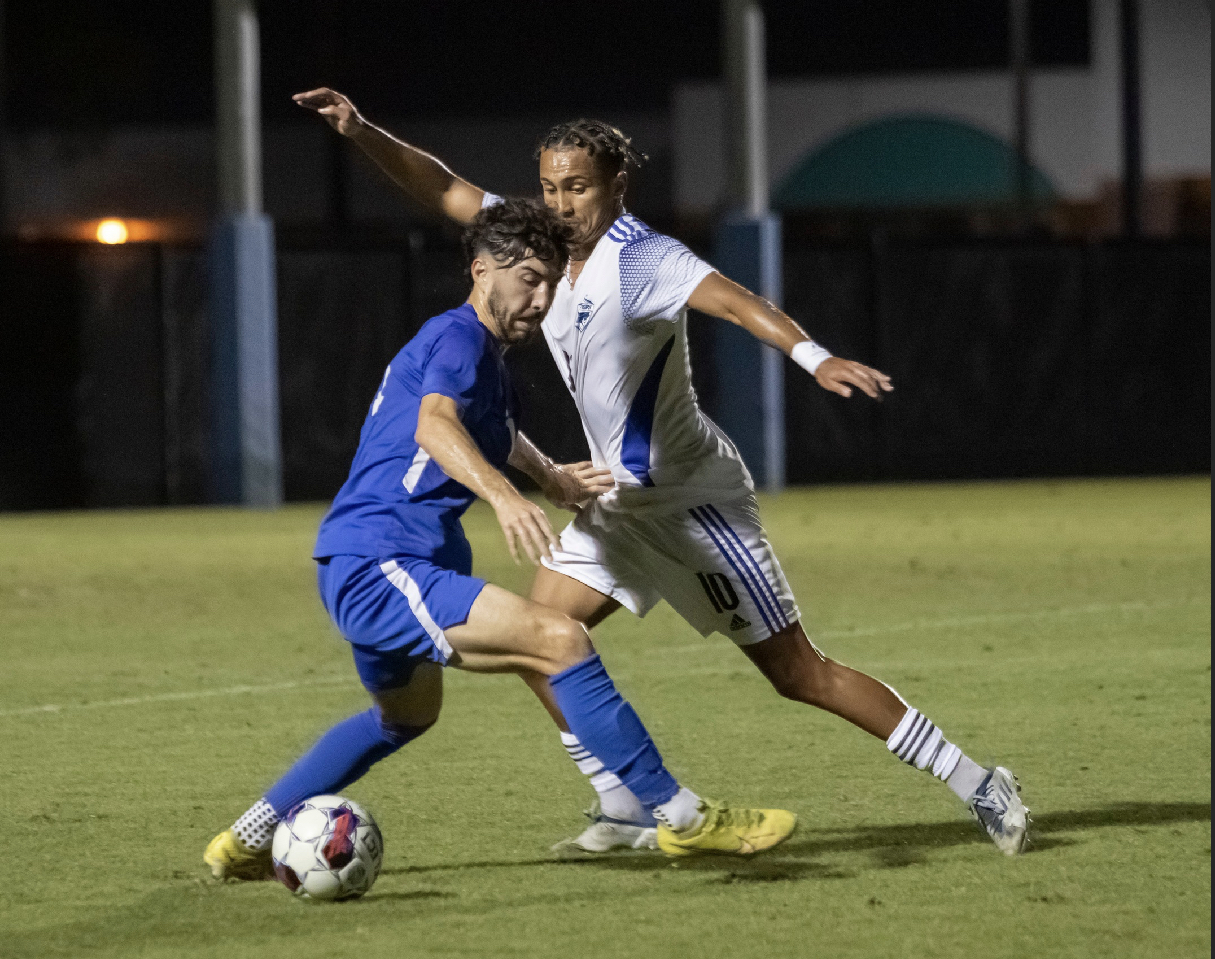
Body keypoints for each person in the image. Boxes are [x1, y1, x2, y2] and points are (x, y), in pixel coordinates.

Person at [292, 89, 1029, 857]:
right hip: (617, 506)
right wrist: (361, 130)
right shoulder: (536, 248)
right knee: (546, 637)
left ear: (616, 187)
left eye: (576, 186)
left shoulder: (645, 259)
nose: (558, 202)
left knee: (798, 674)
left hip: (691, 505)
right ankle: (621, 802)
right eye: (548, 186)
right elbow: (442, 186)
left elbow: (738, 303)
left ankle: (977, 780)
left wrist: (814, 356)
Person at [204, 199, 797, 881]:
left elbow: (490, 428)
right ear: (482, 269)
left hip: (379, 559)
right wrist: (508, 496)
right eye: (527, 278)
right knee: (560, 639)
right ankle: (681, 817)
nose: (540, 297)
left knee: (403, 717)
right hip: (381, 562)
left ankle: (244, 837)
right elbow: (436, 426)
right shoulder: (458, 337)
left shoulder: (478, 354)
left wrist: (549, 476)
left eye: (550, 281)